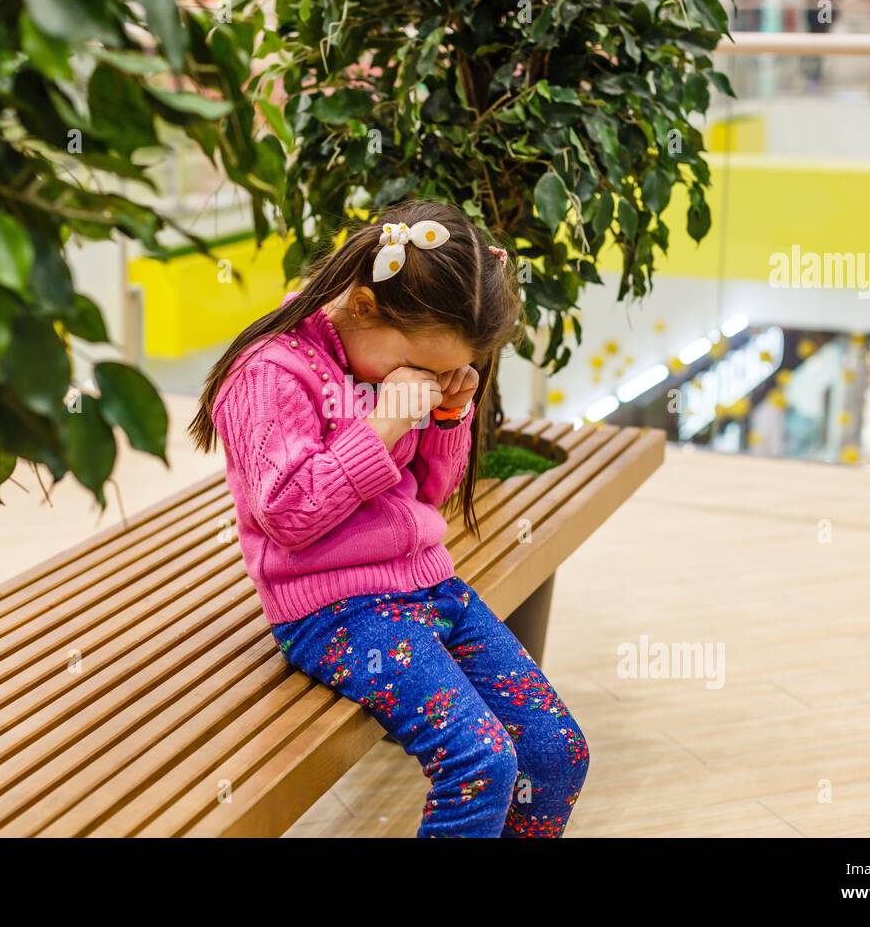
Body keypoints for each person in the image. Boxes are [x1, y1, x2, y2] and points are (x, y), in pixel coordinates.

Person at [188, 199, 591, 837]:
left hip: (431, 588)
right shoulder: (271, 372)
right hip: (335, 612)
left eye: (446, 371)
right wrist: (382, 424)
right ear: (367, 307)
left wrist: (449, 420)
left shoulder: (383, 364)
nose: (429, 382)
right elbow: (289, 514)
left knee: (555, 753)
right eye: (424, 366)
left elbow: (429, 493)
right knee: (480, 763)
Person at [803, 0, 842, 86]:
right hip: (825, 9)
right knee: (821, 39)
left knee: (814, 38)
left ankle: (811, 67)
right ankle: (815, 69)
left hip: (814, 11)